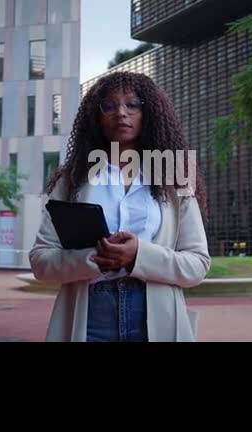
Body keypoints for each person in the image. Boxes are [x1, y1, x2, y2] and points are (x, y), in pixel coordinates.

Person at [29, 71, 211, 342]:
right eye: (109, 106)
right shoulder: (74, 179)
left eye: (132, 104)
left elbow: (197, 264)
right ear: (97, 117)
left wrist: (139, 255)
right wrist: (94, 259)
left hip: (153, 316)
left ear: (148, 113)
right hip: (91, 317)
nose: (121, 113)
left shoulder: (174, 177)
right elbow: (41, 261)